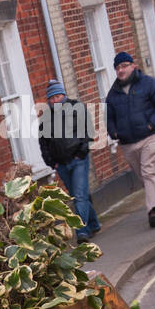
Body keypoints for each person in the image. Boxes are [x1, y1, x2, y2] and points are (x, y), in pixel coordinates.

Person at [106, 51, 155, 227]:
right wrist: (115, 133)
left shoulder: (148, 83)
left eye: (124, 66)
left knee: (149, 172)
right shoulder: (113, 94)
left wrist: (152, 124)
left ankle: (153, 211)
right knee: (145, 177)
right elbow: (108, 118)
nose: (121, 70)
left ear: (133, 66)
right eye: (117, 67)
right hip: (128, 143)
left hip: (150, 137)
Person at [38, 79, 100, 241]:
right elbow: (43, 142)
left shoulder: (77, 108)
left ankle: (82, 232)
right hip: (62, 164)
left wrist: (82, 151)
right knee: (77, 195)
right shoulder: (46, 118)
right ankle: (94, 224)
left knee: (79, 196)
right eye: (52, 98)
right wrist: (52, 162)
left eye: (58, 96)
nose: (55, 100)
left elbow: (88, 131)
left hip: (78, 159)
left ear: (63, 95)